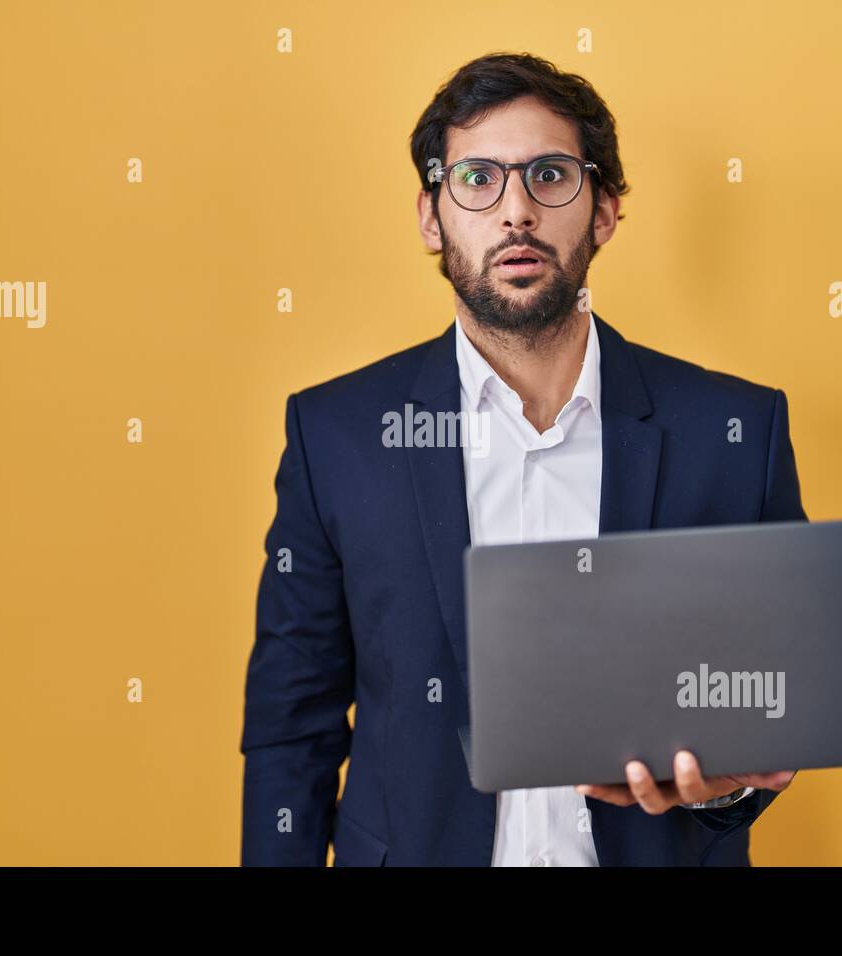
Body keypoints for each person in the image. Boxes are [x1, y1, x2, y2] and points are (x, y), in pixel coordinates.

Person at [240, 51, 801, 866]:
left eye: (549, 176)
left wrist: (738, 784)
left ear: (604, 210)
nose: (515, 212)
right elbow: (293, 722)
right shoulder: (338, 436)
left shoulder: (735, 430)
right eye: (477, 178)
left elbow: (770, 703)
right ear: (432, 217)